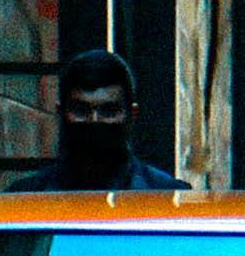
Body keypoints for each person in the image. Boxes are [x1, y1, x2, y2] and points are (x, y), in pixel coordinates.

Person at [14, 48, 186, 191]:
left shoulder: (167, 197)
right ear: (61, 112)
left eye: (109, 111)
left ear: (132, 114)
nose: (94, 121)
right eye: (81, 111)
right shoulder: (23, 199)